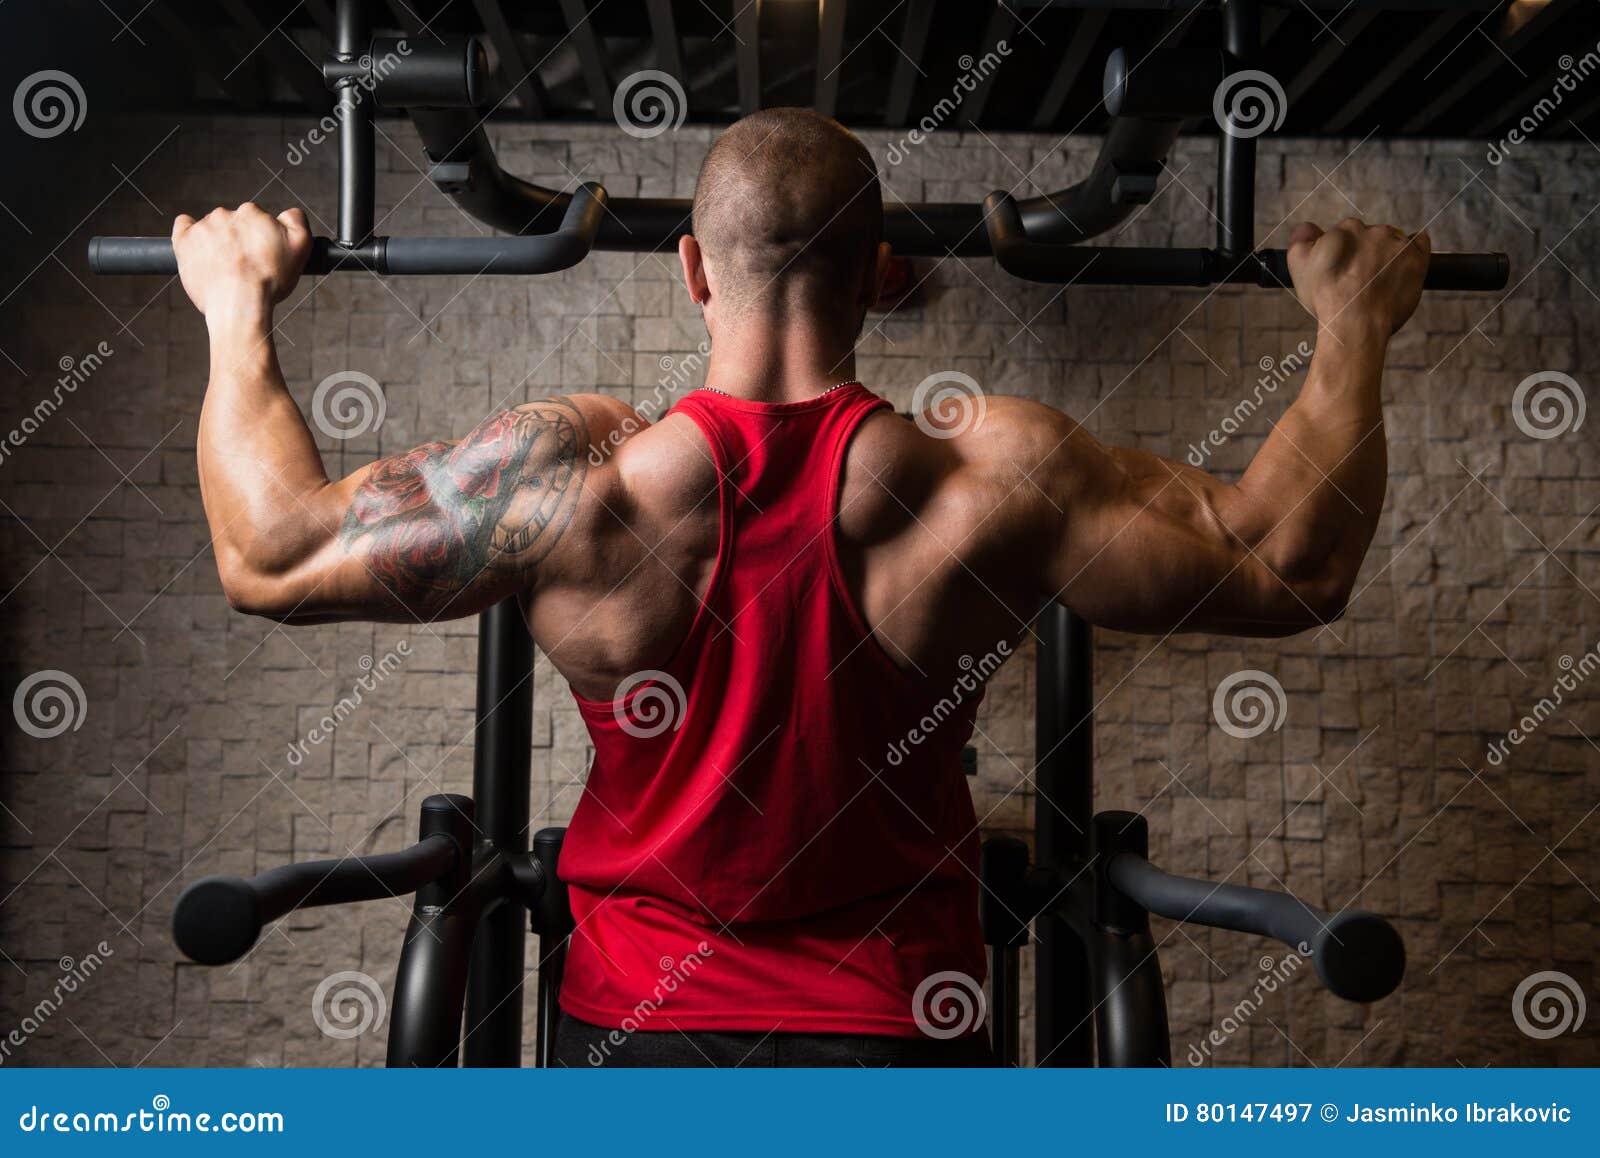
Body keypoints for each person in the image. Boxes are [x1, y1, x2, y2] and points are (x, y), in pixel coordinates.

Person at [170, 107, 1429, 1067]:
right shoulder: (991, 473)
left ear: (692, 271)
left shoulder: (572, 475)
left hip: (634, 1034)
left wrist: (236, 311)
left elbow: (268, 554)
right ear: (879, 274)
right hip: (900, 1034)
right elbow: (1289, 565)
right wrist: (1352, 325)